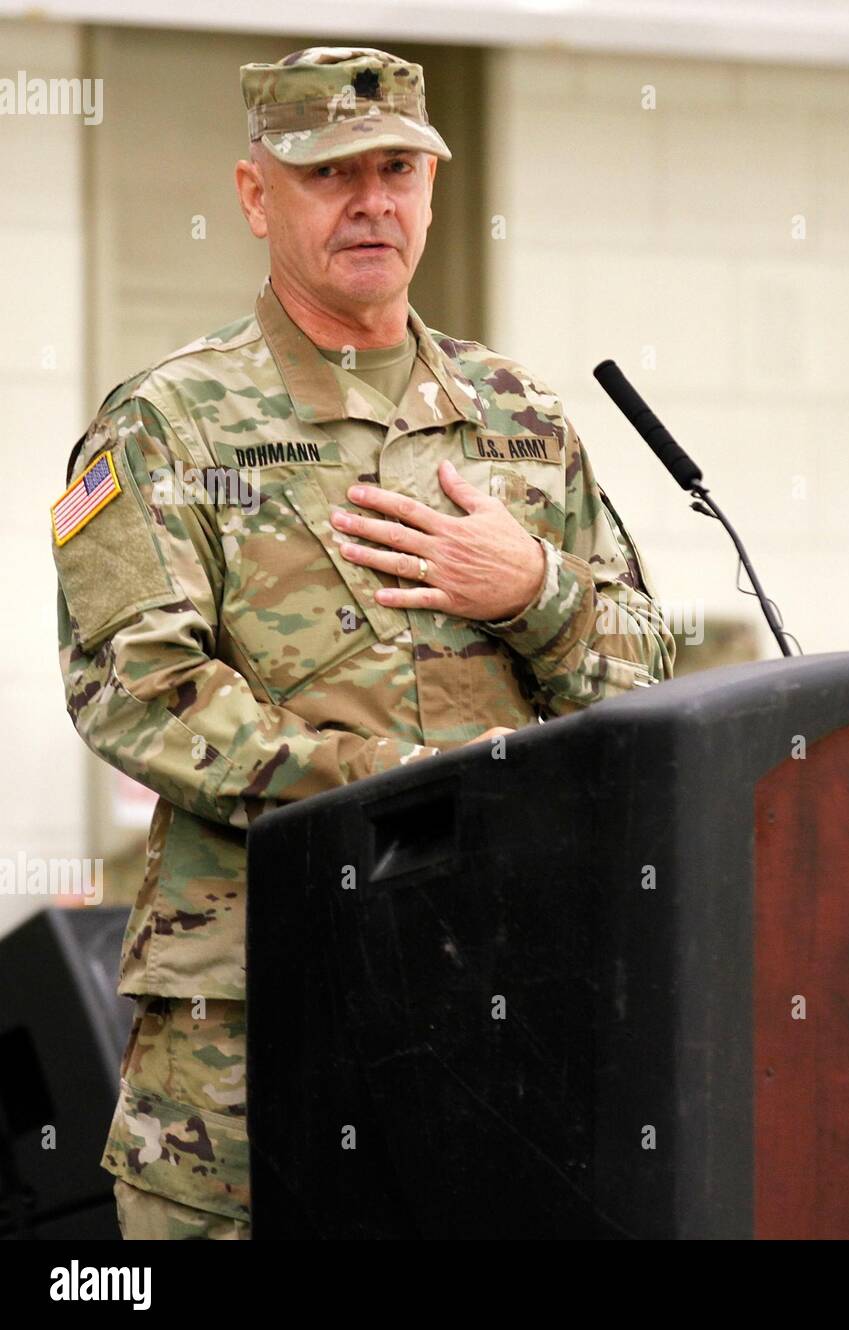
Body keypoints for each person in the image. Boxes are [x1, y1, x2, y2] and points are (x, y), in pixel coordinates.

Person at [50, 46, 676, 1240]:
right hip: (256, 1014)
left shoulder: (524, 420)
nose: (371, 200)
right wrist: (398, 804)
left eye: (397, 168)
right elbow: (136, 687)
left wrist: (534, 586)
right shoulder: (165, 424)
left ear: (433, 191)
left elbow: (639, 678)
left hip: (495, 998)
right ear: (253, 195)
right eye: (330, 172)